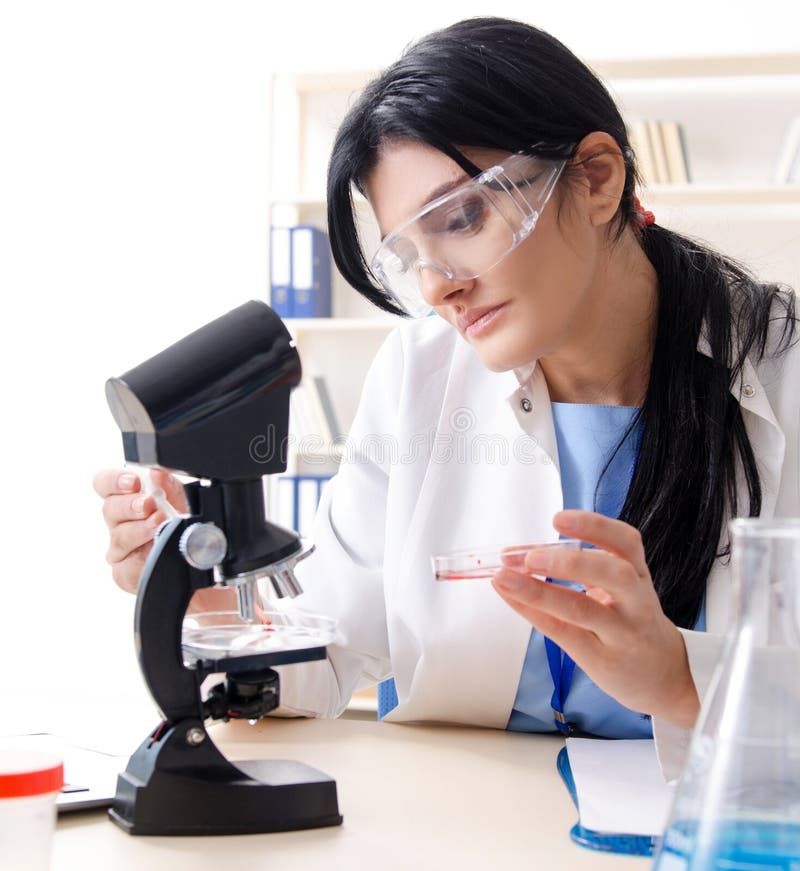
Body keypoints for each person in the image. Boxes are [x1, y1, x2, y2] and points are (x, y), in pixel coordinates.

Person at [93, 17, 798, 778]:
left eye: (462, 217)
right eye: (411, 256)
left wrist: (685, 677)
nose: (440, 287)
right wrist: (199, 603)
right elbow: (329, 645)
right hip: (461, 828)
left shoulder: (782, 370)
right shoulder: (419, 373)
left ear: (597, 178)